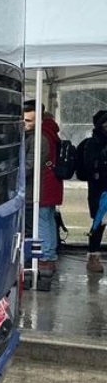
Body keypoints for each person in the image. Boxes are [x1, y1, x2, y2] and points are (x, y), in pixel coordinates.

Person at [23, 101, 64, 278]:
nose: (24, 123)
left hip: (42, 184)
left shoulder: (41, 136)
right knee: (48, 219)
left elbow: (31, 165)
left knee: (41, 221)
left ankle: (45, 257)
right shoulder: (51, 131)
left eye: (28, 120)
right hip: (51, 183)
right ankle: (50, 255)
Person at [79, 109, 107, 274]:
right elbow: (90, 168)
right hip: (100, 190)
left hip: (99, 189)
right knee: (99, 223)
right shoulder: (93, 144)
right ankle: (93, 256)